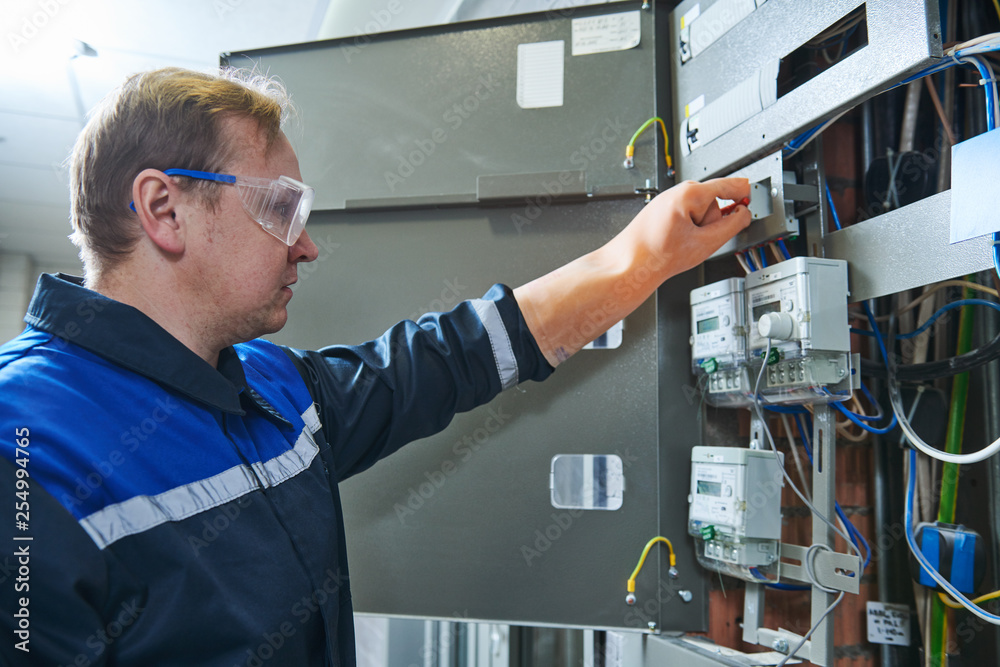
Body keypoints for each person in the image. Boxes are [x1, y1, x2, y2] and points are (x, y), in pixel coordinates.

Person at [0, 67, 750, 666]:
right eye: (282, 208)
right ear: (164, 208)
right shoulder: (24, 449)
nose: (306, 245)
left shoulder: (269, 388)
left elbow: (448, 357)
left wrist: (638, 259)